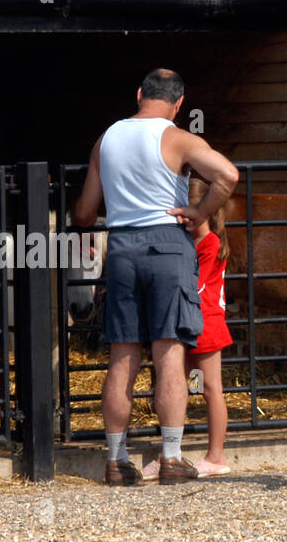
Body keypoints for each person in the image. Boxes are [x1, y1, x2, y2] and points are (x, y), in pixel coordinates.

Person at [72, 68, 239, 486]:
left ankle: (115, 459)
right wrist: (200, 213)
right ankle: (171, 457)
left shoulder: (106, 139)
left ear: (140, 93)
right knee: (169, 352)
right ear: (179, 103)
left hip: (123, 247)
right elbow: (228, 176)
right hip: (168, 245)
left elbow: (84, 214)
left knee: (122, 355)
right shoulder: (179, 138)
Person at [142, 177, 232, 480]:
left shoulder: (211, 245)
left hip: (204, 322)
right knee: (175, 386)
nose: (182, 220)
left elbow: (195, 286)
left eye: (186, 214)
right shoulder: (189, 241)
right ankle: (170, 454)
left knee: (210, 390)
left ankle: (216, 456)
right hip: (187, 320)